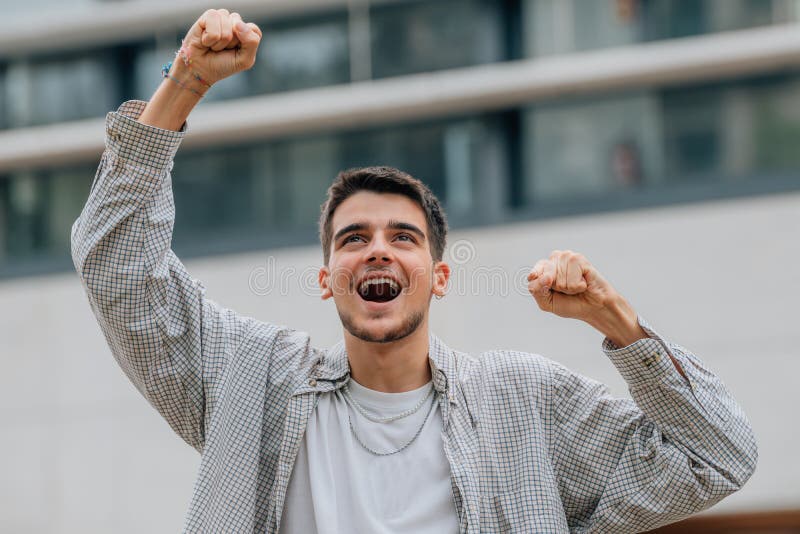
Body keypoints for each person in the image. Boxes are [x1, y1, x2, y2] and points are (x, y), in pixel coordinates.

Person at [71, 9, 757, 534]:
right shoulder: (253, 383)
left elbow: (717, 455)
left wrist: (616, 323)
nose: (377, 250)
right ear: (325, 278)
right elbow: (117, 266)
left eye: (403, 237)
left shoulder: (522, 403)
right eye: (353, 239)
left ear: (438, 277)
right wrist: (184, 83)